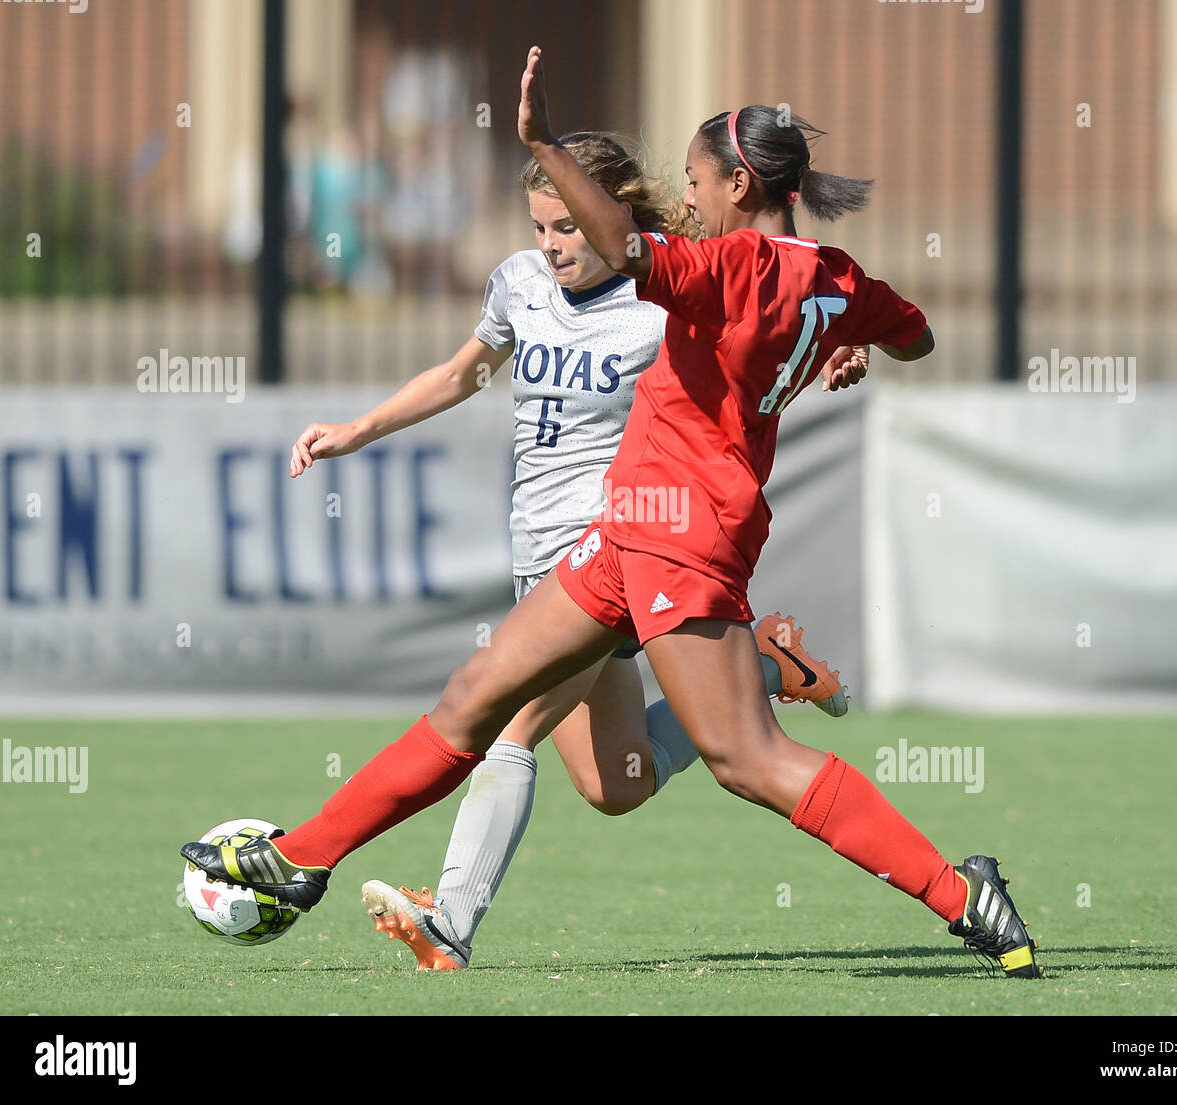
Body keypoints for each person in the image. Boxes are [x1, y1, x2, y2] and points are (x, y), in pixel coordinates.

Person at [184, 47, 1042, 979]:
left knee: (748, 759)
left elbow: (631, 251)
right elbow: (913, 336)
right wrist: (832, 345)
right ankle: (303, 857)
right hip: (627, 527)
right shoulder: (832, 276)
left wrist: (543, 141)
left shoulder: (736, 265)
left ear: (742, 181)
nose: (692, 196)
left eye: (700, 180)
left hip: (682, 535)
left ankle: (963, 894)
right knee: (480, 703)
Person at [280, 131, 848, 969]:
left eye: (566, 228)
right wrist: (356, 430)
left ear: (604, 216)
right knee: (615, 782)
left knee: (509, 725)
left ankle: (450, 921)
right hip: (536, 556)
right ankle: (768, 664)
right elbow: (459, 375)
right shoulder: (518, 284)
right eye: (540, 226)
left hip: (614, 551)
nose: (550, 245)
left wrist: (836, 348)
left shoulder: (663, 299)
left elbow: (769, 324)